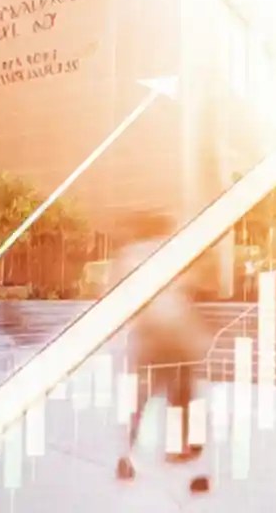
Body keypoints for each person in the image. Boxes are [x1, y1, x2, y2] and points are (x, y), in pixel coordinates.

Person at [110, 211, 212, 495]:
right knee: (181, 400)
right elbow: (194, 288)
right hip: (178, 337)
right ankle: (190, 460)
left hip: (152, 338)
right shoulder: (175, 250)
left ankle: (127, 457)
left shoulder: (130, 255)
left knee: (139, 402)